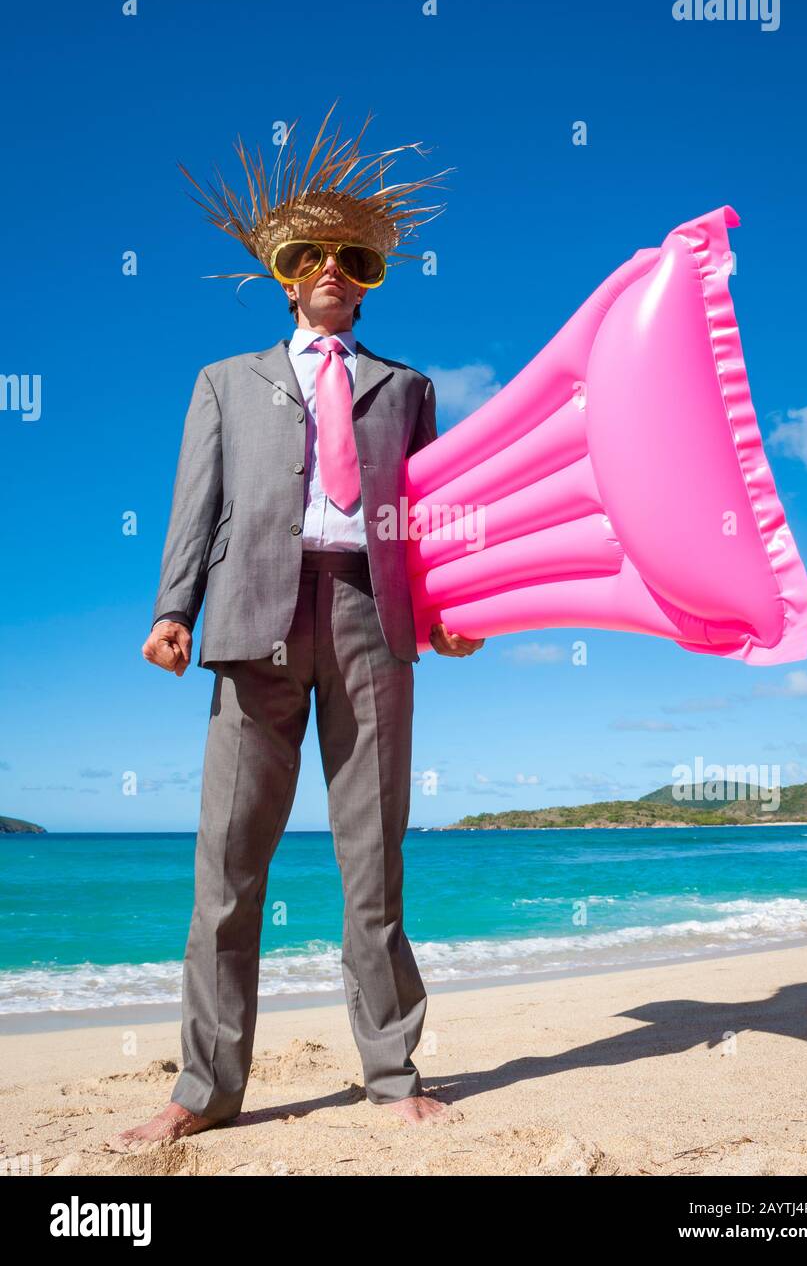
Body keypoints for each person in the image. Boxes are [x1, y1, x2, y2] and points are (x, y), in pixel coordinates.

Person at [117, 106, 483, 1149]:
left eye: (352, 256)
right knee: (228, 867)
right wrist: (169, 611)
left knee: (372, 861)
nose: (332, 268)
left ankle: (391, 1069)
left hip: (370, 617)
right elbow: (196, 504)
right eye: (310, 253)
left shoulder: (404, 386)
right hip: (246, 623)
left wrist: (446, 613)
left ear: (369, 277)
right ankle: (205, 1086)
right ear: (286, 275)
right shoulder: (226, 382)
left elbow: (423, 515)